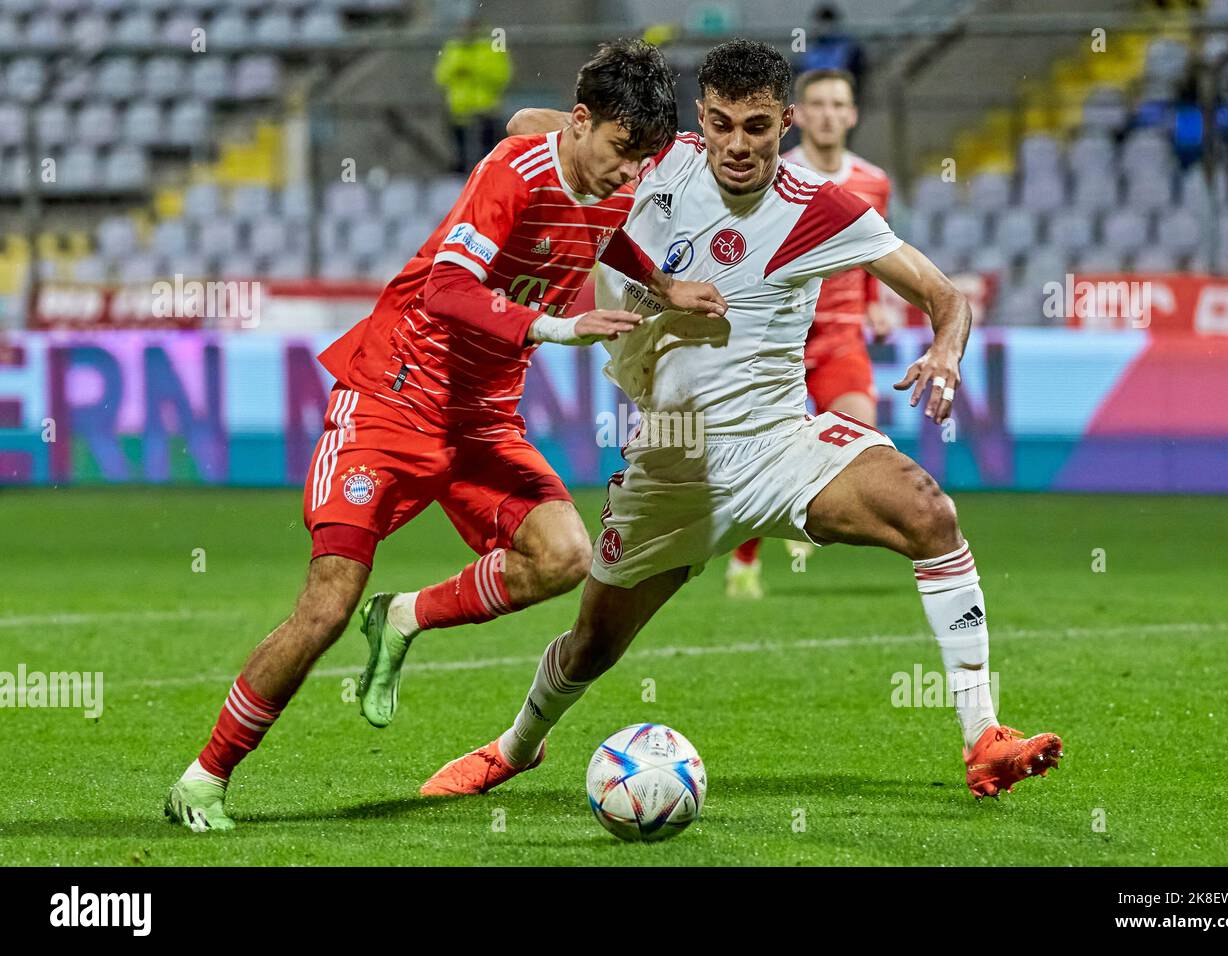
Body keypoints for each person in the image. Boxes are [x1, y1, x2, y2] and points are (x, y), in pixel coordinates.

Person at [416, 39, 1061, 803]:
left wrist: (946, 355)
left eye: (757, 126)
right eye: (722, 124)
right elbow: (528, 123)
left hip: (781, 444)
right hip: (671, 461)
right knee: (591, 645)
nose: (738, 145)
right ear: (702, 117)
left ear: (785, 124)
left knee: (928, 511)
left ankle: (983, 736)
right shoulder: (660, 159)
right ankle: (515, 747)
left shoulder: (822, 207)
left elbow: (945, 296)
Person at [164, 40, 726, 832]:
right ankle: (204, 778)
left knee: (564, 553)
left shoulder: (610, 179)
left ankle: (405, 617)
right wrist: (555, 328)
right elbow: (448, 287)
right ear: (581, 121)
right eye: (622, 153)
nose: (630, 175)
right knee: (327, 603)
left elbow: (604, 233)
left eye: (643, 162)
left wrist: (664, 284)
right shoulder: (512, 174)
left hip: (482, 420)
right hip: (393, 400)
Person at [726, 67, 894, 600]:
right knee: (765, 454)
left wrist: (875, 306)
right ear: (796, 116)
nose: (827, 113)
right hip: (779, 339)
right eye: (816, 103)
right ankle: (745, 560)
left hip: (842, 335)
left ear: (851, 115)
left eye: (836, 104)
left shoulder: (874, 182)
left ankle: (804, 515)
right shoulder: (773, 173)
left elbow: (875, 253)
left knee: (860, 438)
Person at [435, 18, 513, 173]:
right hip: (459, 112)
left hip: (486, 110)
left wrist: (472, 71)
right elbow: (441, 76)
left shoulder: (492, 47)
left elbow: (502, 75)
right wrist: (458, 71)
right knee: (461, 156)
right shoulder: (453, 47)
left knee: (487, 156)